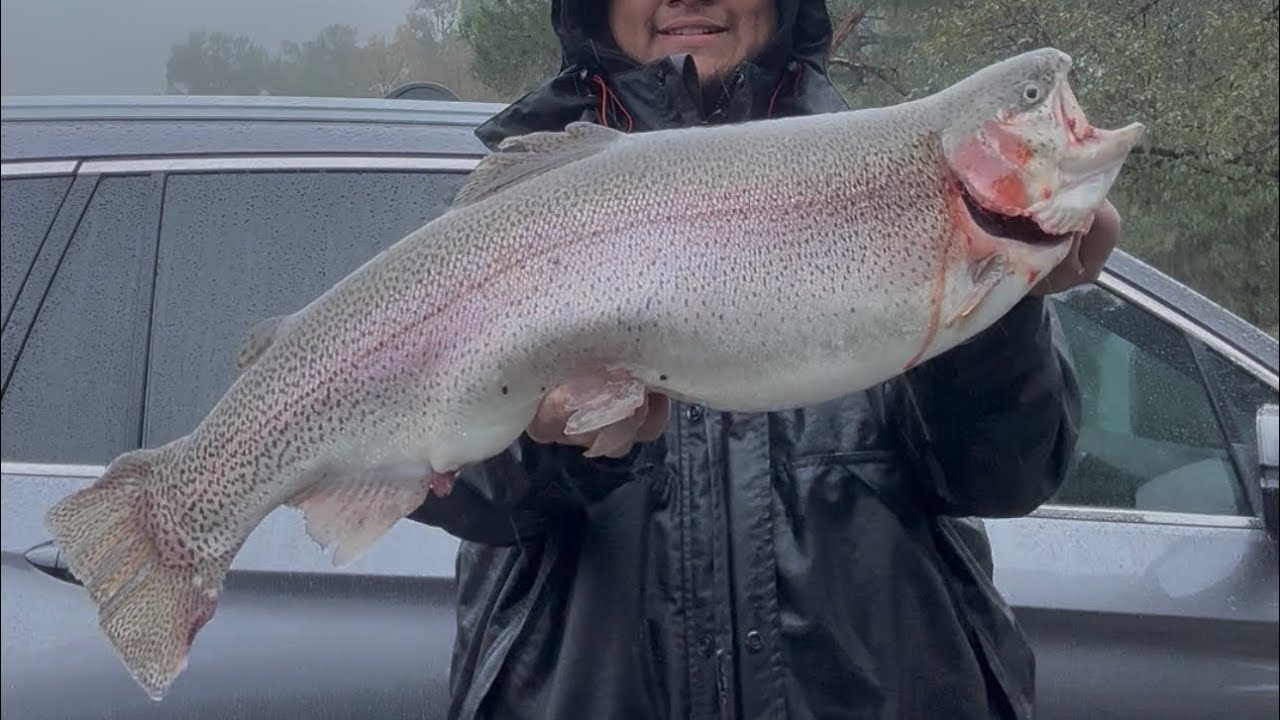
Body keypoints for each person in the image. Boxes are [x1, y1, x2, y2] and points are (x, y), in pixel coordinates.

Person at [409, 1, 1121, 718]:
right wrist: (547, 443)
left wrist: (998, 301)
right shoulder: (511, 209)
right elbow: (450, 486)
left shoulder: (891, 167)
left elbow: (1003, 477)